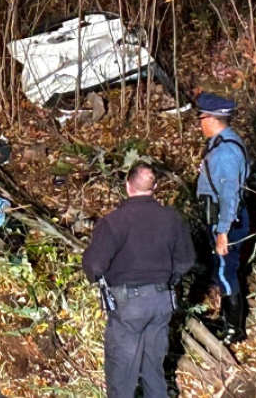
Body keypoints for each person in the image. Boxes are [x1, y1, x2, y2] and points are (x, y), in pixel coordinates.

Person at [82, 163, 196, 398]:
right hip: (161, 302)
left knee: (122, 378)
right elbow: (186, 260)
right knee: (154, 371)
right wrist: (166, 280)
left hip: (128, 307)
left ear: (127, 186)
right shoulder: (171, 219)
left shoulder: (114, 222)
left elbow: (94, 266)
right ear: (155, 187)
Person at [194, 92, 250, 343]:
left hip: (227, 222)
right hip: (219, 219)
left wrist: (223, 232)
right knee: (222, 270)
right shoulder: (222, 142)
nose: (199, 123)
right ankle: (227, 321)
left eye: (201, 117)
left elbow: (230, 195)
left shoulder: (225, 152)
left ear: (211, 120)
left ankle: (233, 330)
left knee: (227, 272)